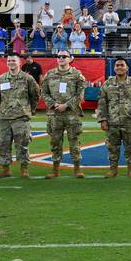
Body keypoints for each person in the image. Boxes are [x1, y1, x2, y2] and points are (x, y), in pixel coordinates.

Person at [42, 50, 88, 179]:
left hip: (71, 114)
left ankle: (77, 169)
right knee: (55, 142)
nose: (61, 58)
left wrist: (66, 105)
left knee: (74, 141)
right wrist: (53, 104)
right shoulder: (50, 74)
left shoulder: (77, 75)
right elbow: (44, 92)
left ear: (70, 59)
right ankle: (55, 170)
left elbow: (80, 94)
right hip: (54, 114)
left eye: (64, 56)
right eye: (59, 56)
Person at [0, 54, 39, 178]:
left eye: (13, 60)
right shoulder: (1, 79)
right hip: (4, 117)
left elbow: (35, 95)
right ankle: (6, 169)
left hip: (21, 117)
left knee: (22, 143)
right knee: (3, 143)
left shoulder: (27, 78)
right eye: (9, 60)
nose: (11, 62)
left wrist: (29, 110)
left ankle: (24, 168)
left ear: (19, 63)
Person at [99, 57, 131, 178]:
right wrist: (102, 119)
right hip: (112, 121)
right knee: (112, 147)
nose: (119, 67)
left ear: (127, 68)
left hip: (129, 121)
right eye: (117, 65)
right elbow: (102, 102)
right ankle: (113, 169)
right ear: (114, 68)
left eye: (122, 65)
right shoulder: (107, 84)